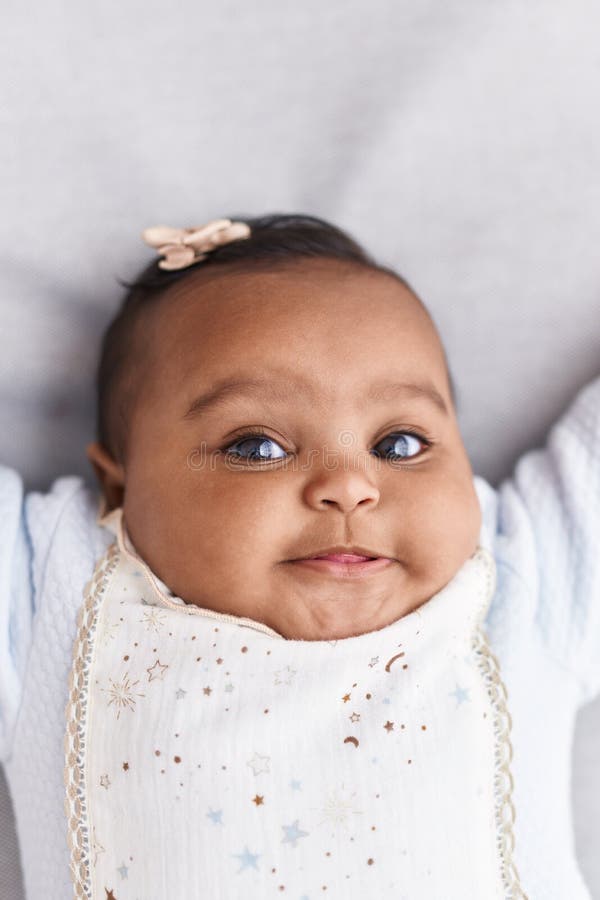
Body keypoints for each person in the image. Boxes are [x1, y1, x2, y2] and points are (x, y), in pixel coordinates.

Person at [1, 213, 598, 898]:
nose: (350, 485)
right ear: (119, 487)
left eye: (400, 444)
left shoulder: (525, 585)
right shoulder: (49, 588)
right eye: (257, 447)